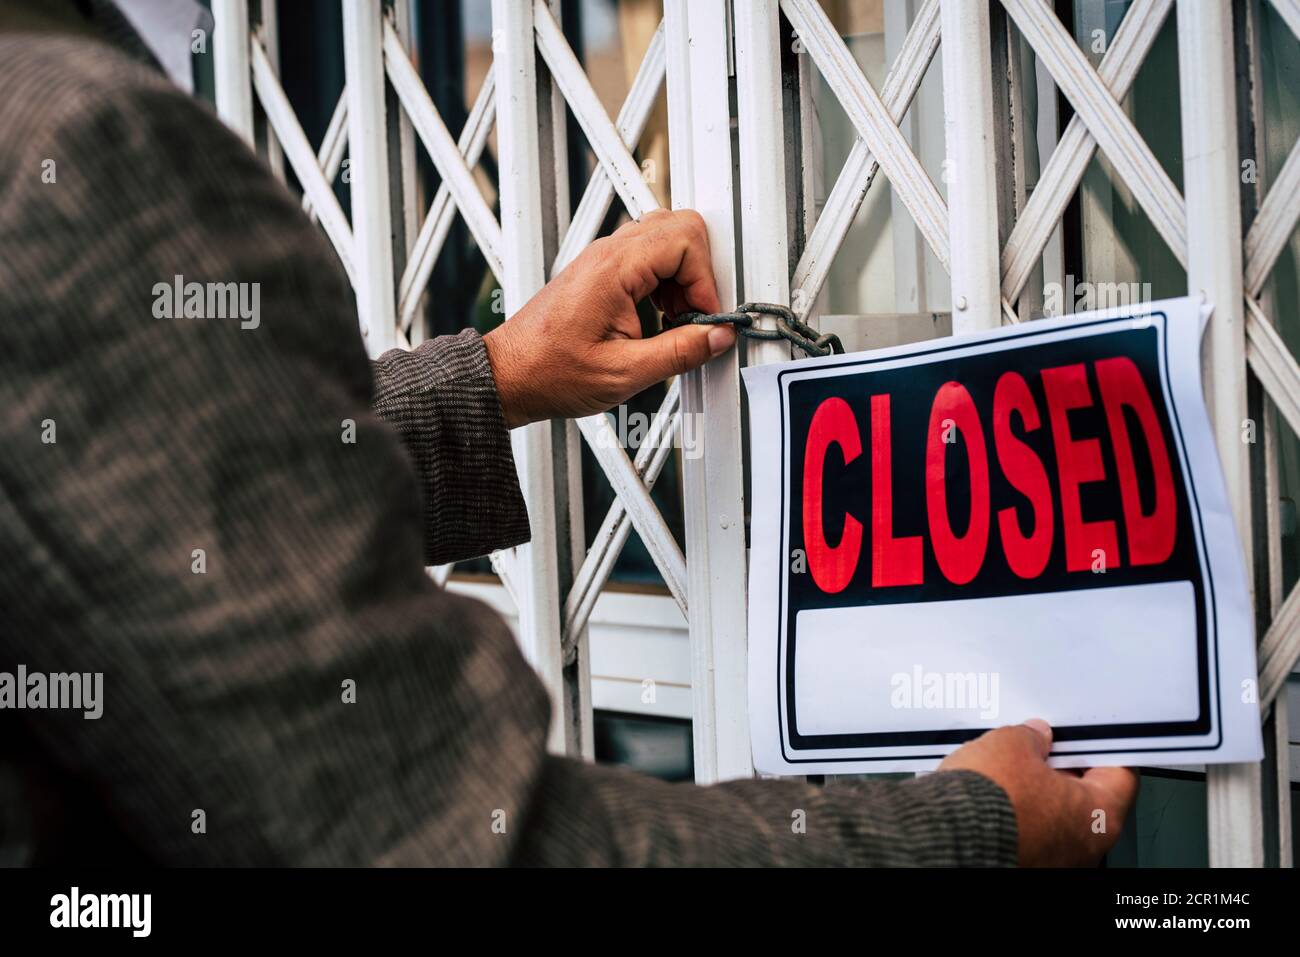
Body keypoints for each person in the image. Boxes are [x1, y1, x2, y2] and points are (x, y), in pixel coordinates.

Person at [0, 0, 1136, 866]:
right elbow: (455, 842)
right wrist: (967, 831)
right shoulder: (75, 148)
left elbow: (119, 523)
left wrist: (496, 375)